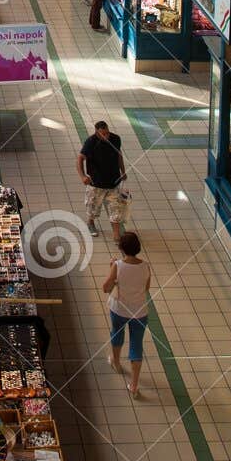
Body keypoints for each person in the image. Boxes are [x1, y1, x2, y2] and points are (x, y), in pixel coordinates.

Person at [102, 231, 151, 399]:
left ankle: (116, 362)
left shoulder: (118, 265)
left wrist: (112, 270)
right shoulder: (145, 266)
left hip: (119, 309)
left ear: (122, 248)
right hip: (140, 312)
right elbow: (146, 288)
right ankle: (134, 385)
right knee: (136, 344)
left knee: (117, 332)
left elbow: (106, 287)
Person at [77, 120, 129, 239]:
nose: (106, 136)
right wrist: (83, 176)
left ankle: (116, 236)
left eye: (107, 133)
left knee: (116, 210)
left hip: (114, 183)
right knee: (93, 208)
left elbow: (118, 154)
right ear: (97, 133)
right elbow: (80, 158)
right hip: (96, 183)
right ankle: (90, 223)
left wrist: (123, 171)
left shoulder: (116, 139)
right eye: (103, 134)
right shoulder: (91, 142)